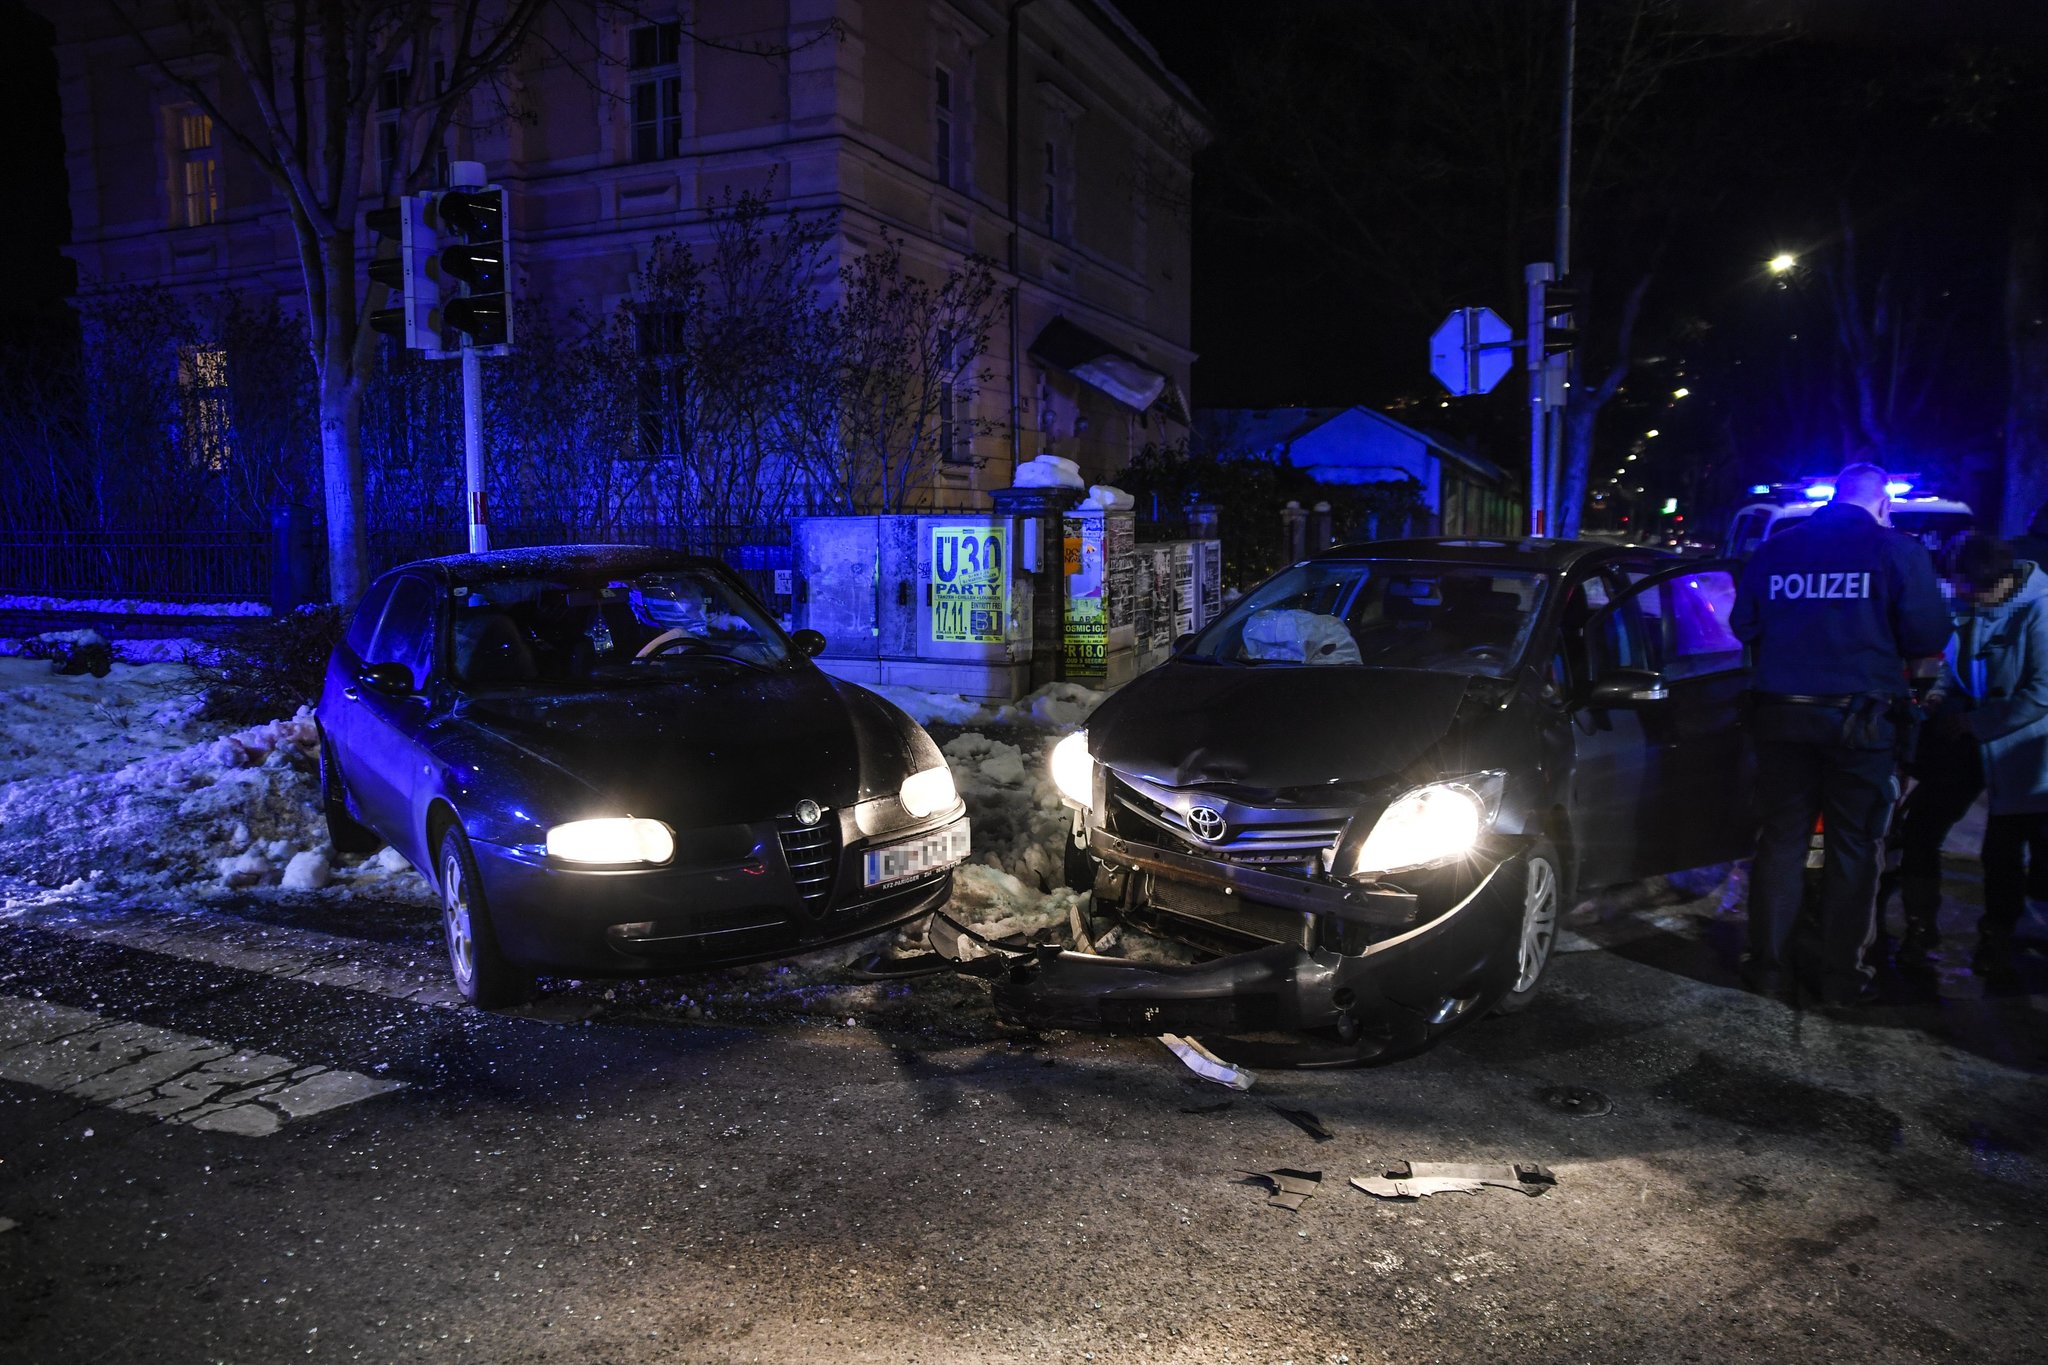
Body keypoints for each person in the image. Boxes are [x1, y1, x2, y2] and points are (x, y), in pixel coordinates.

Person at [1731, 463, 1952, 1005]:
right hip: (1862, 723)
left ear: (1835, 497)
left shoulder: (1777, 547)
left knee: (1782, 843)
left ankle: (1768, 968)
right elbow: (1927, 634)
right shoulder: (1896, 550)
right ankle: (1838, 977)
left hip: (1782, 718)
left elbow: (1743, 625)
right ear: (1882, 504)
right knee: (1855, 847)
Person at [1926, 534, 2048, 969]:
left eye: (1969, 588)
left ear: (1999, 581)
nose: (1962, 596)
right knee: (1996, 853)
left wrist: (1977, 723)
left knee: (2023, 849)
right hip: (1990, 752)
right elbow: (1956, 661)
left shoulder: (2040, 609)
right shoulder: (1974, 604)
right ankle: (1992, 932)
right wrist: (1942, 694)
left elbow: (2042, 691)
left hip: (2032, 759)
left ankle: (2007, 933)